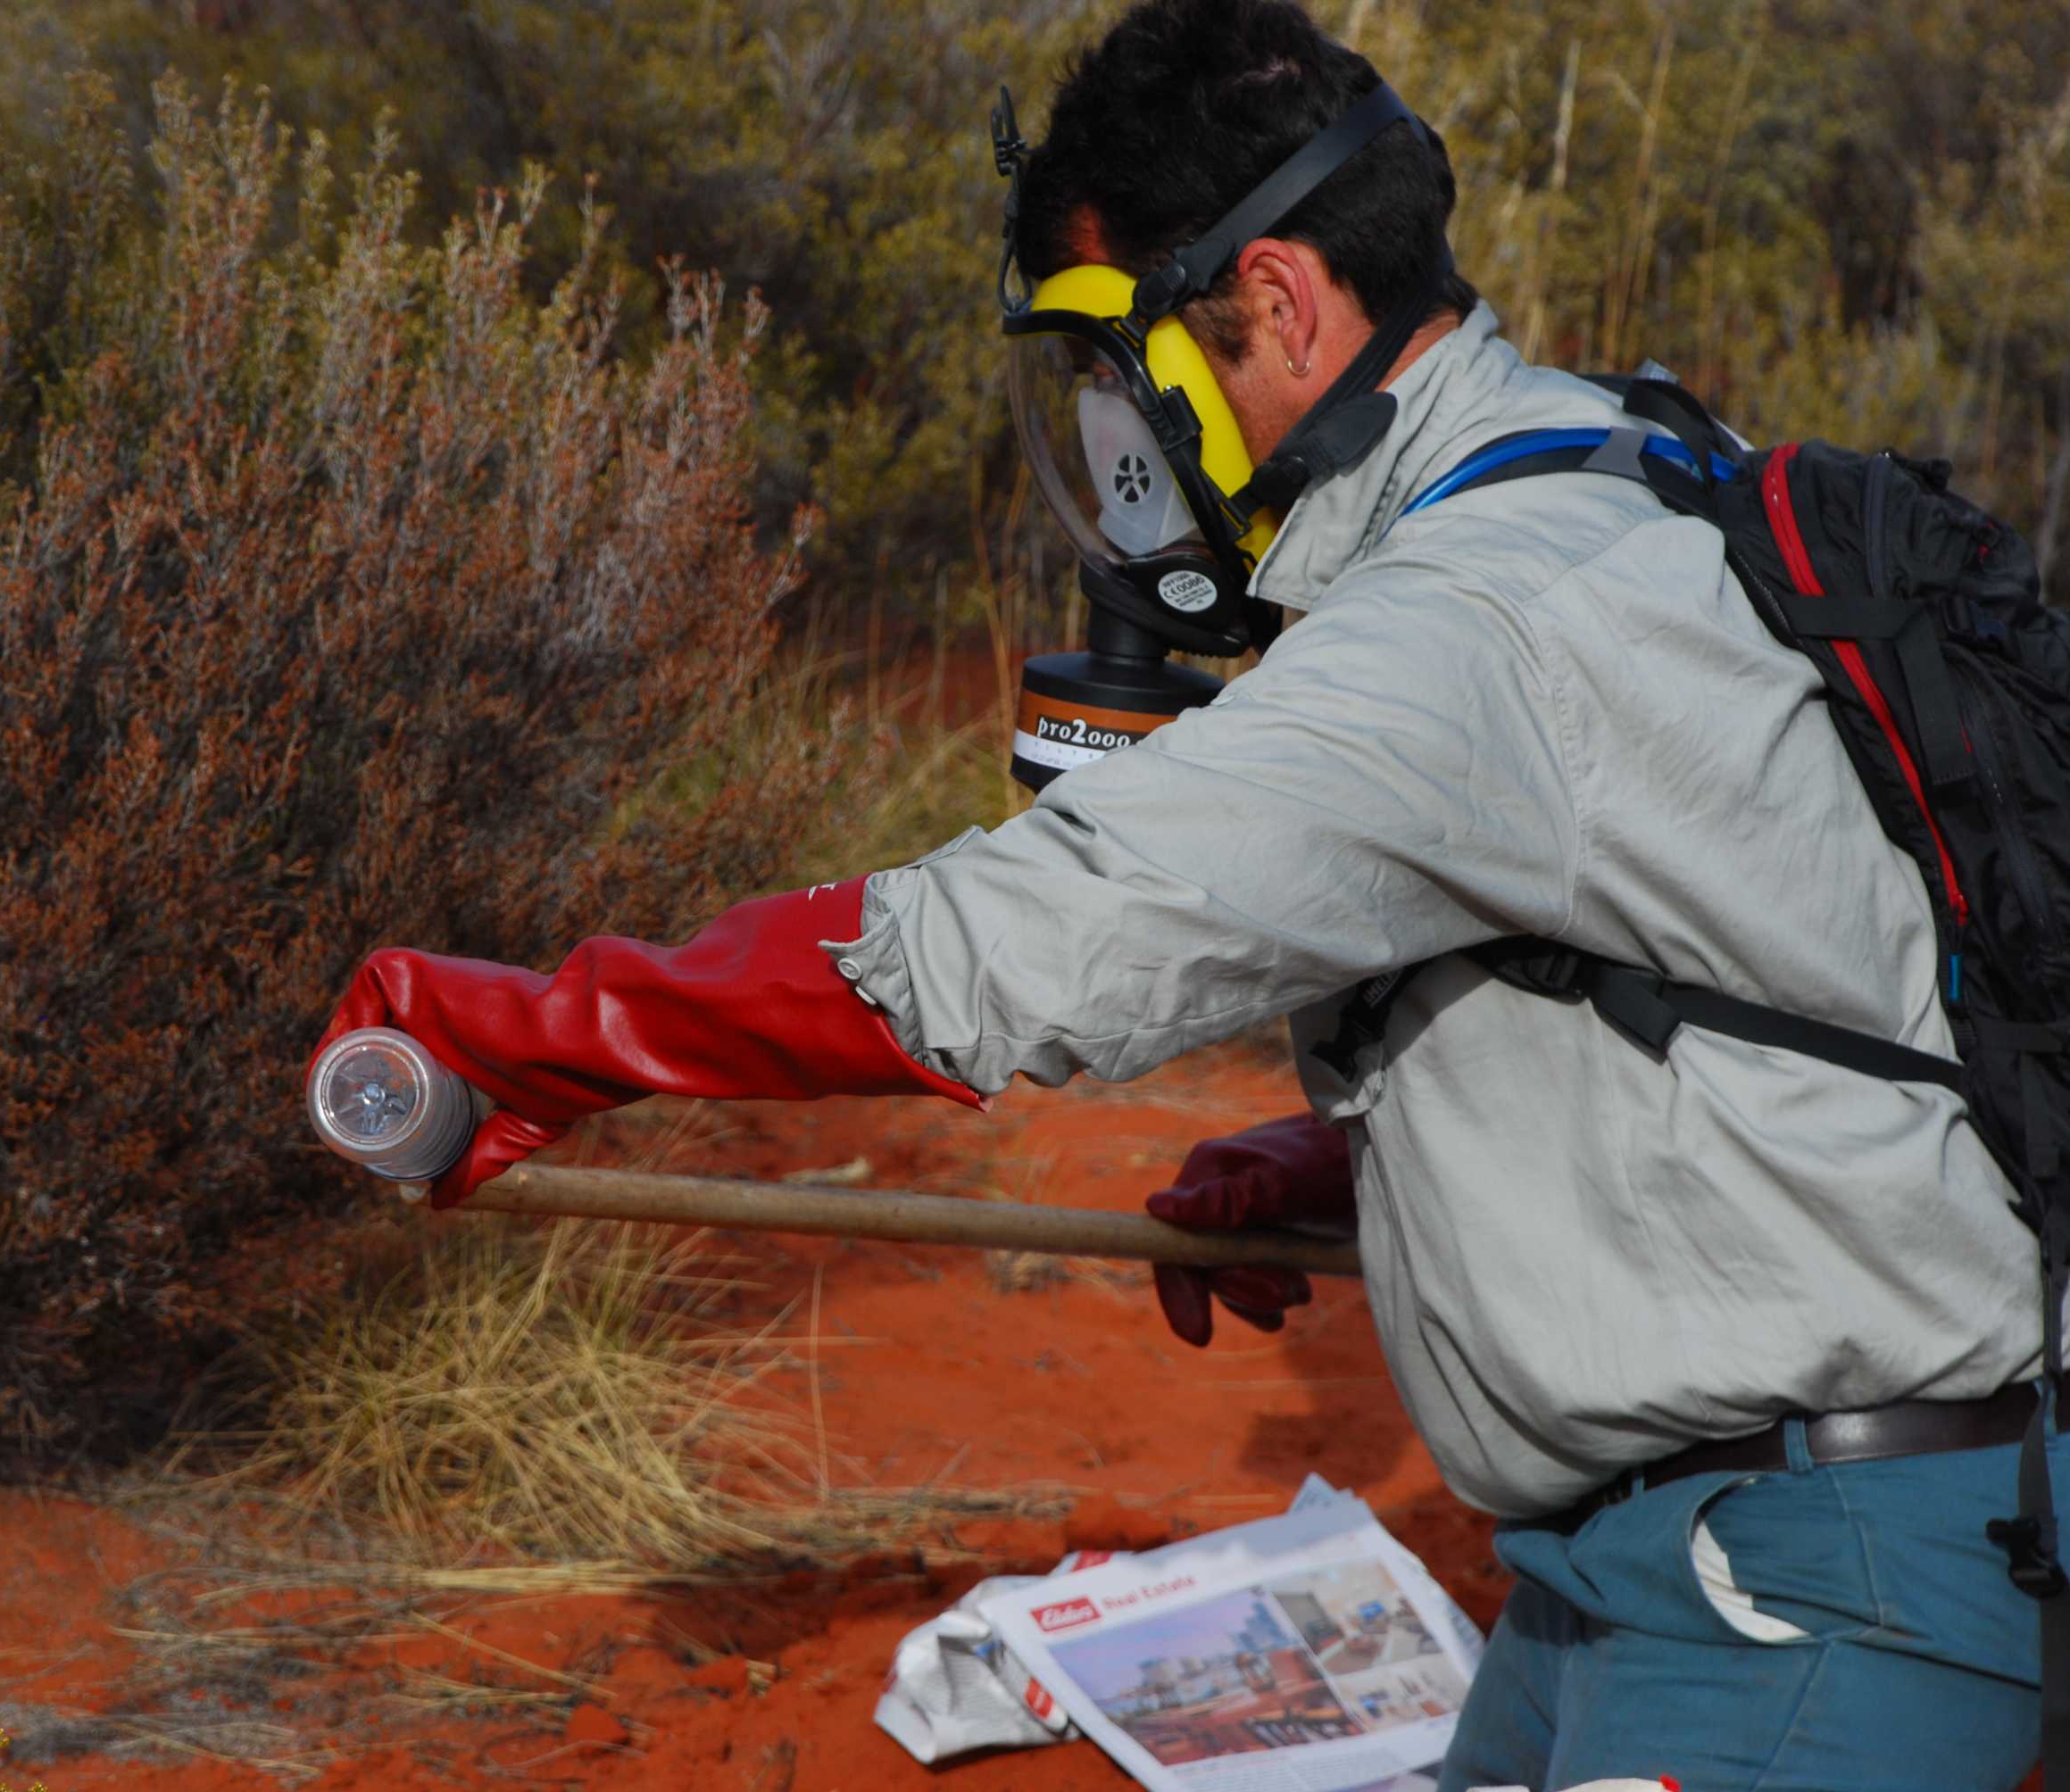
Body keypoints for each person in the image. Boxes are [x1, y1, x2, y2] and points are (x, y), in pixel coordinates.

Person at [312, 3, 2054, 1786]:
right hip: (1642, 1567)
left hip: (1808, 1589)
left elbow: (1003, 951)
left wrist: (536, 1038)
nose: (1122, 455)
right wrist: (1396, 1146)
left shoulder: (1473, 619)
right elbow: (1775, 967)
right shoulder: (1625, 458)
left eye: (1126, 380)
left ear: (1284, 306)